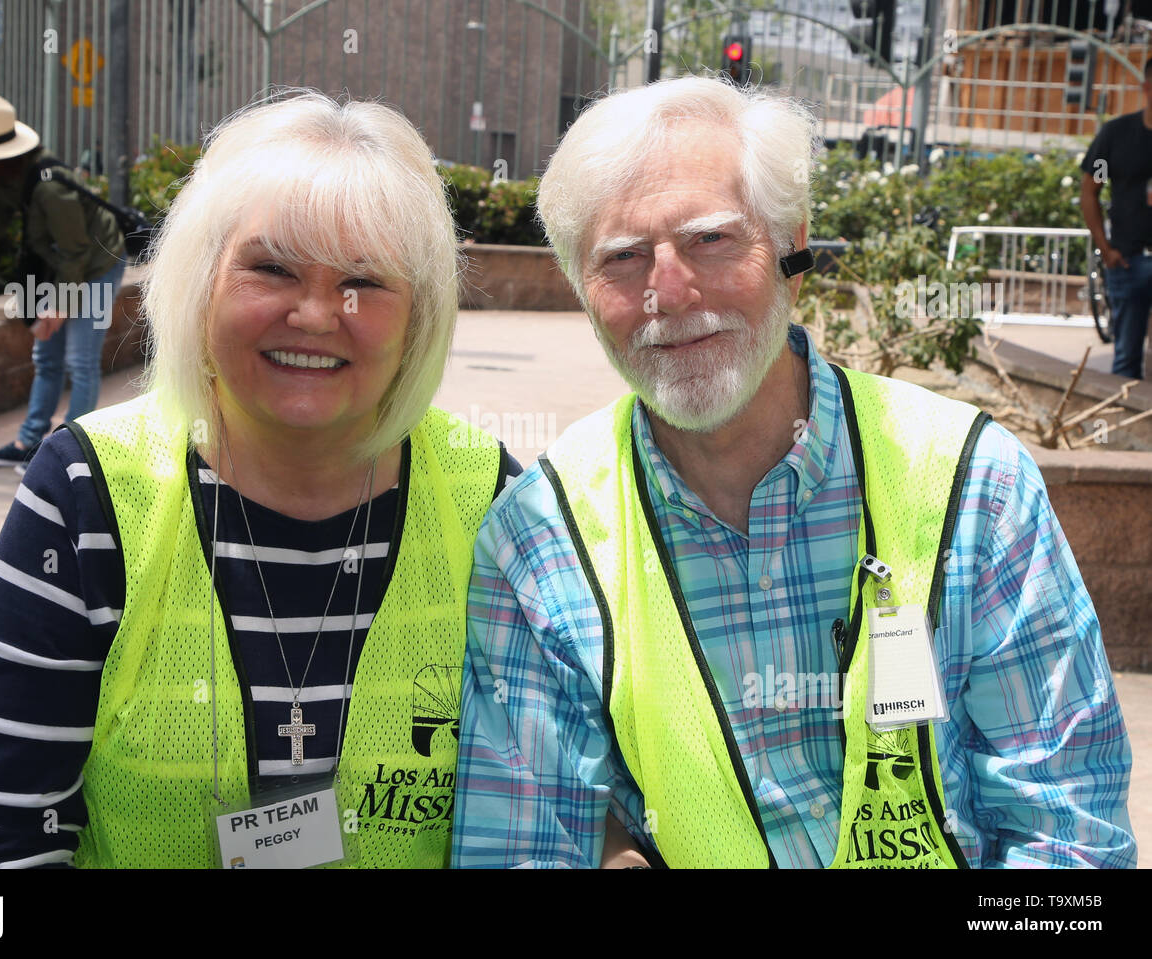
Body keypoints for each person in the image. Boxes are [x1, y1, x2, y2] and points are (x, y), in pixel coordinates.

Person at [451, 75, 1136, 869]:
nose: (667, 291)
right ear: (581, 288)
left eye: (711, 238)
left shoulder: (975, 486)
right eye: (623, 257)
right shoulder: (538, 542)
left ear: (792, 252)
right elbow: (520, 848)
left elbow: (1069, 838)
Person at [0, 90, 519, 868]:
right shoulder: (84, 494)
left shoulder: (493, 500)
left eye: (363, 281)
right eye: (270, 269)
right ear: (200, 282)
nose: (313, 313)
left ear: (420, 313)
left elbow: (539, 813)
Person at [0, 91, 127, 471]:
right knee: (46, 357)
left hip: (96, 266)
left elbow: (77, 251)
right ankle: (30, 441)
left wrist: (62, 304)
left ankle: (71, 454)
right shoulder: (8, 177)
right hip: (54, 267)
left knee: (80, 360)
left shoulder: (51, 186)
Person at [1080, 57, 1152, 379]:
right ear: (1147, 88)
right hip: (1127, 260)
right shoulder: (1116, 136)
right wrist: (1105, 248)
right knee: (1126, 359)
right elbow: (1091, 190)